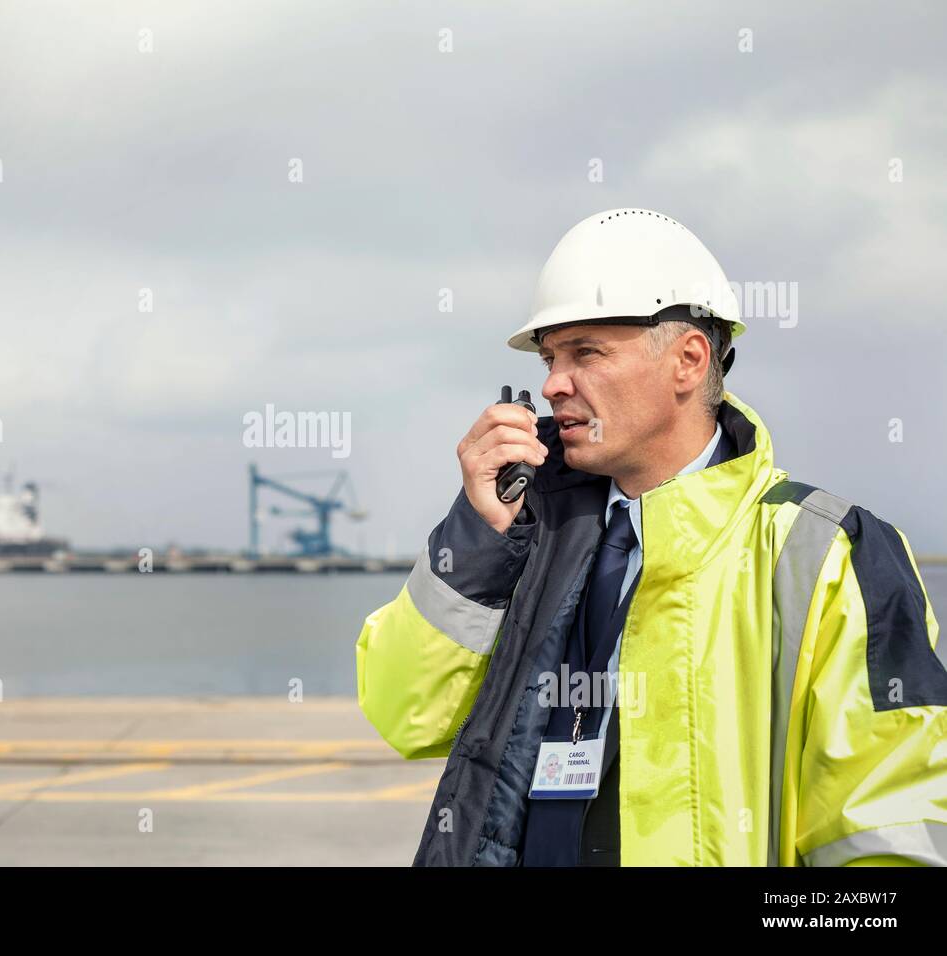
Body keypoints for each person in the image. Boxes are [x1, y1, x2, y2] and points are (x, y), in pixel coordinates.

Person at [355, 208, 947, 866]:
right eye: (551, 357)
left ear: (688, 361)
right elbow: (404, 714)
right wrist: (477, 538)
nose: (553, 383)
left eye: (586, 352)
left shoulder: (826, 551)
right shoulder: (517, 532)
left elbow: (888, 835)